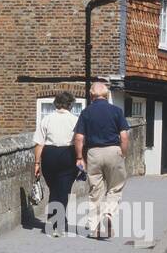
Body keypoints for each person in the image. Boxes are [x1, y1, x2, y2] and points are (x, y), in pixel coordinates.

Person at [72, 80, 130, 239]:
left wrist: (79, 157)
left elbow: (78, 138)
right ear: (107, 95)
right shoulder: (116, 111)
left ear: (92, 96)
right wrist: (123, 153)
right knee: (116, 187)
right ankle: (109, 213)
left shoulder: (86, 112)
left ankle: (94, 227)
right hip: (113, 150)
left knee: (95, 191)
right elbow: (124, 136)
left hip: (93, 153)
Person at [33, 94, 79, 237]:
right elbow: (79, 141)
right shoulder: (75, 120)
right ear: (70, 104)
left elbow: (39, 143)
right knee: (63, 189)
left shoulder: (46, 119)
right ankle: (57, 224)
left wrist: (37, 163)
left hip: (49, 155)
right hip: (67, 154)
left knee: (54, 188)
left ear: (56, 104)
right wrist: (80, 158)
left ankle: (56, 220)